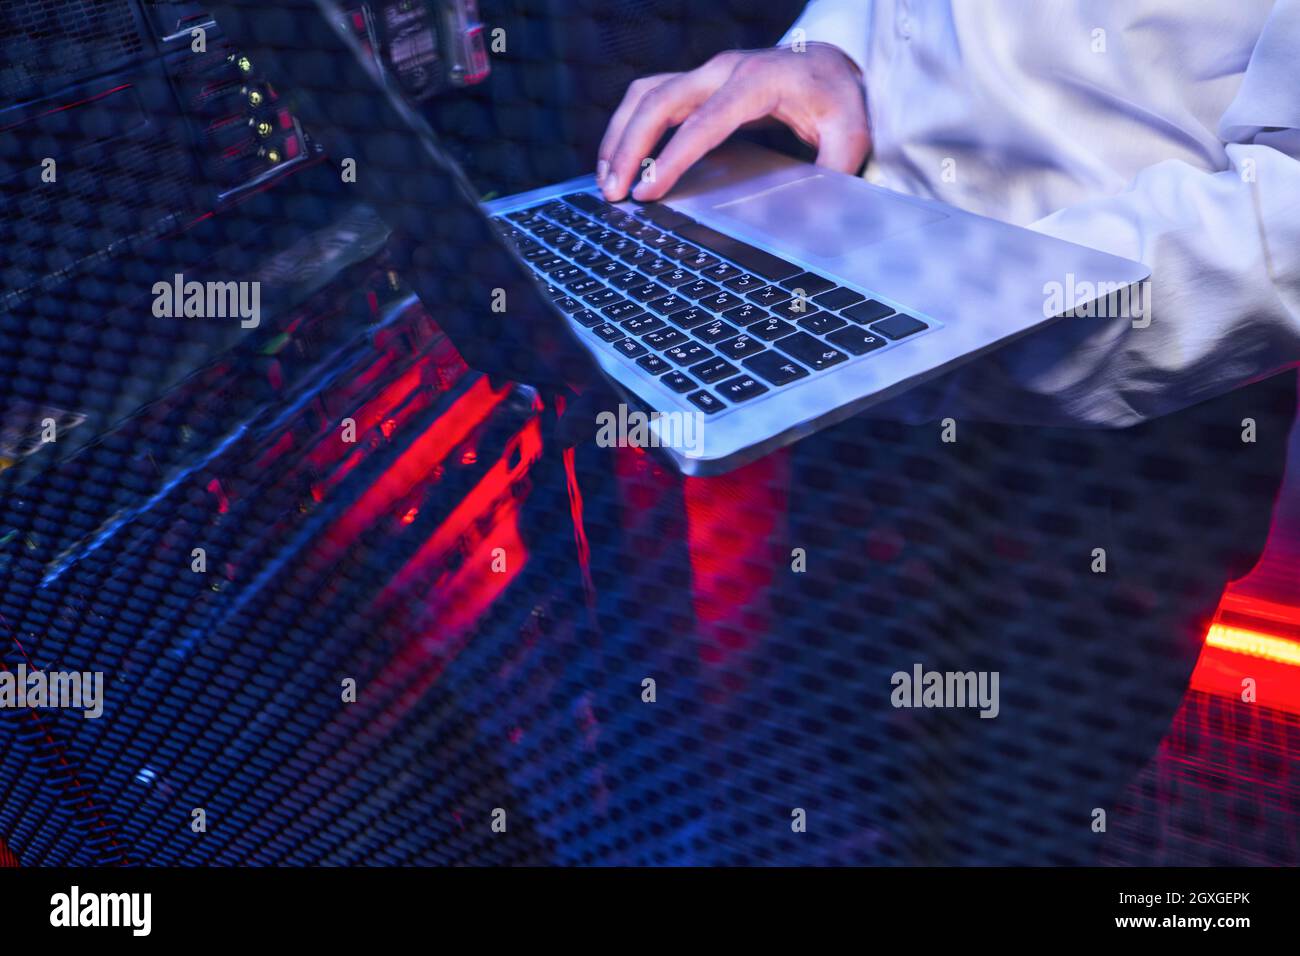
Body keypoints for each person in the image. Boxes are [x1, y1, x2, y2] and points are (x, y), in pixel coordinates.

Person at [577, 1, 1300, 864]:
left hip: (1121, 449)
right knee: (842, 730)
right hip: (866, 361)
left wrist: (957, 291)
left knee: (1022, 798)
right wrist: (830, 52)